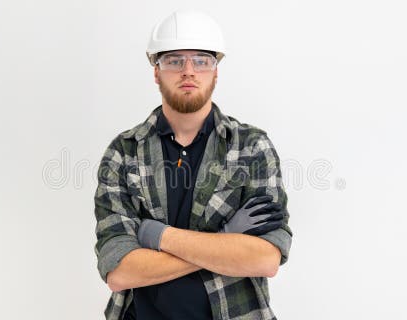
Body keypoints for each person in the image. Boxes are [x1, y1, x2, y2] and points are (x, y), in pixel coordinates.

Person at [93, 10, 293, 320]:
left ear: (216, 72)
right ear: (156, 72)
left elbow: (265, 258)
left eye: (201, 60)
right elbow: (118, 269)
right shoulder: (124, 152)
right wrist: (226, 240)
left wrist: (158, 236)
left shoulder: (252, 147)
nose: (189, 71)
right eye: (174, 60)